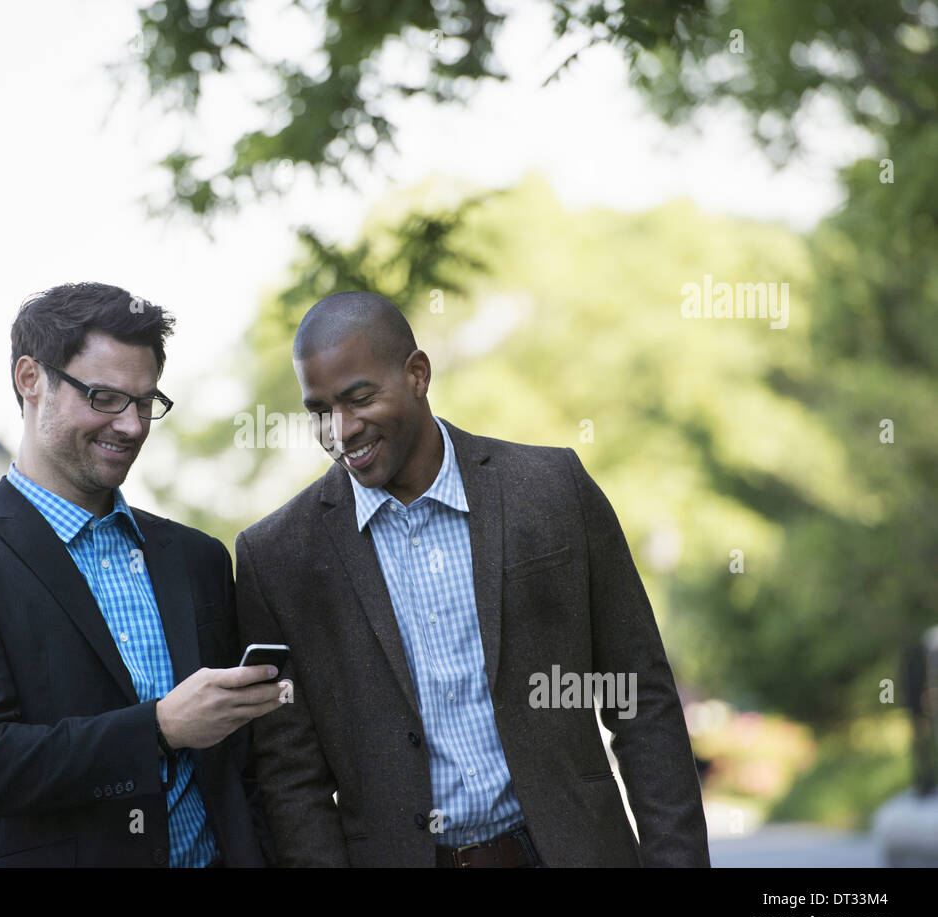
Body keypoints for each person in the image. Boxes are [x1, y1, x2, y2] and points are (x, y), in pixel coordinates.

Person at [236, 291, 709, 867]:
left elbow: (640, 695)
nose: (341, 429)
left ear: (416, 375)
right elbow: (292, 780)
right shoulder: (277, 555)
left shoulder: (551, 488)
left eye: (359, 398)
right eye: (319, 411)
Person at [0, 282, 285, 867]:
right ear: (30, 379)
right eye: (104, 398)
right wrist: (159, 727)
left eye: (146, 402)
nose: (131, 426)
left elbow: (246, 764)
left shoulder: (197, 558)